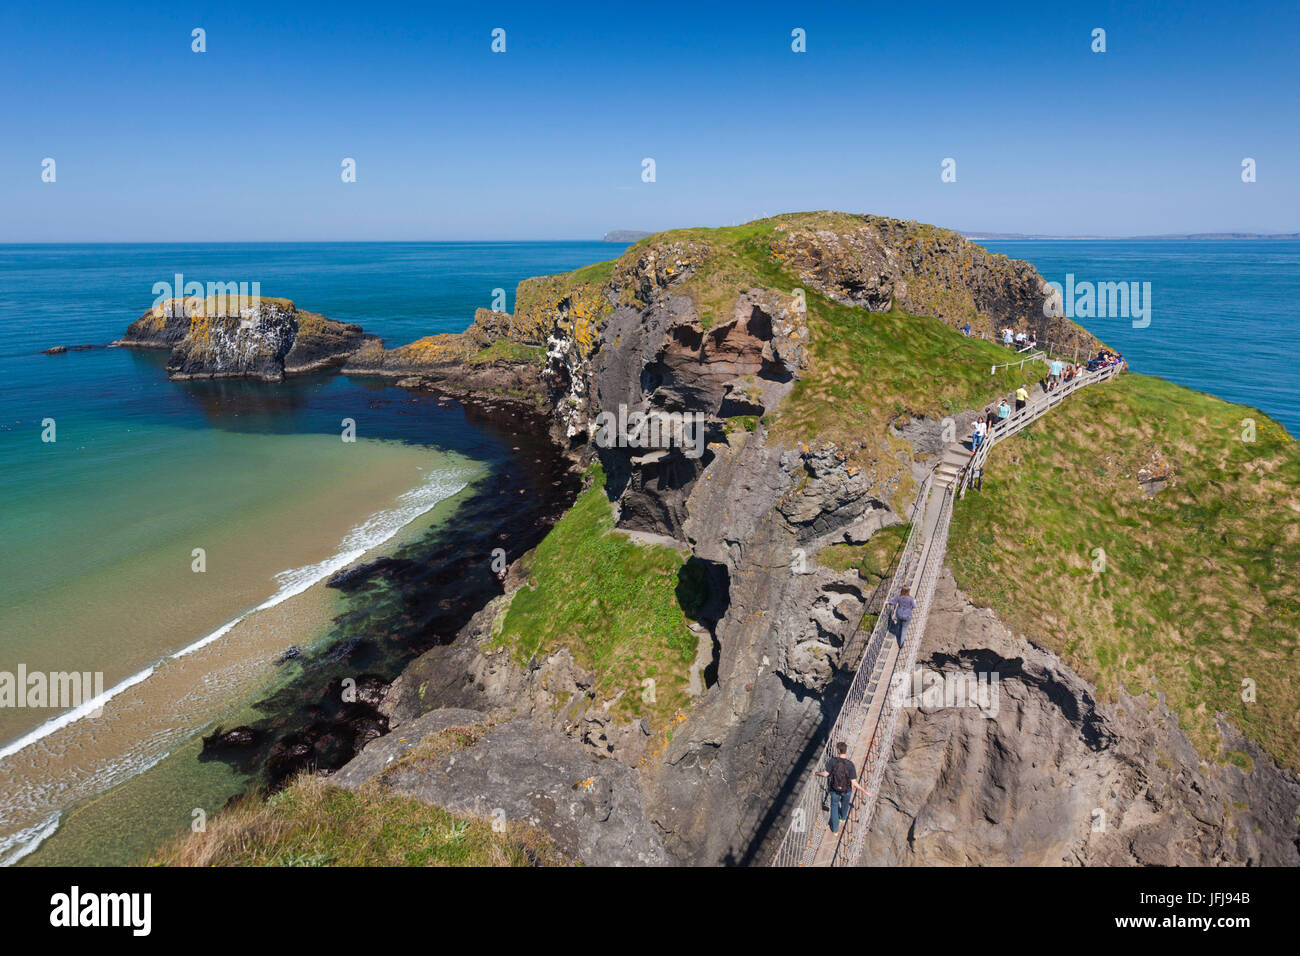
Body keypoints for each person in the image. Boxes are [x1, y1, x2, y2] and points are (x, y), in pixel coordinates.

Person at [813, 742, 870, 835]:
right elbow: (854, 783)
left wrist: (816, 773)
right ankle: (843, 818)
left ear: (838, 751)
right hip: (846, 790)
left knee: (834, 807)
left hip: (834, 790)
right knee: (845, 803)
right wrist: (865, 792)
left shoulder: (832, 761)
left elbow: (825, 774)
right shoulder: (850, 764)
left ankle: (835, 830)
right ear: (845, 751)